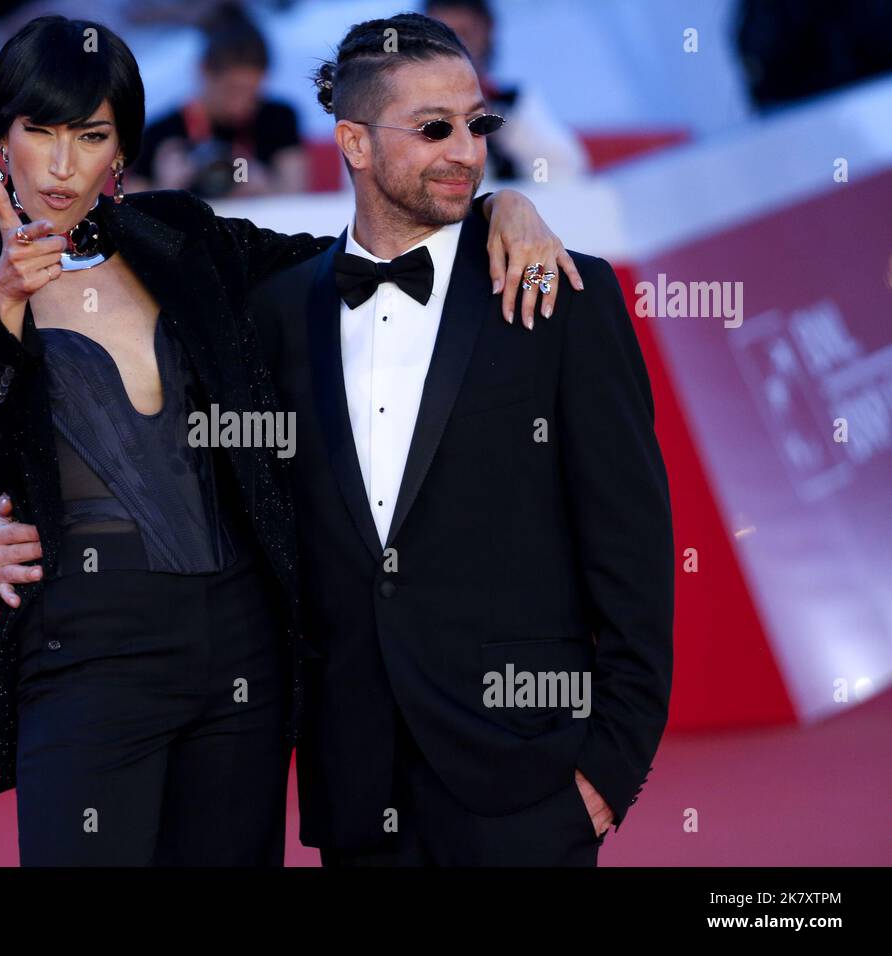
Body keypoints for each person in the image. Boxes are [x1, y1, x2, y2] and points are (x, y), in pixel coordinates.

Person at [0, 14, 575, 866]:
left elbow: (350, 268)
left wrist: (504, 206)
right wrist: (1, 316)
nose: (63, 166)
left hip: (242, 652)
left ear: (122, 151)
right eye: (41, 133)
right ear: (1, 135)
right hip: (87, 654)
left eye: (91, 136)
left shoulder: (187, 237)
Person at [250, 13, 673, 865]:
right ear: (354, 144)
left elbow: (633, 548)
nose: (469, 151)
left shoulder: (559, 294)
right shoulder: (280, 310)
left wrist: (610, 771)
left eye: (477, 124)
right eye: (434, 128)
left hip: (527, 785)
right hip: (358, 790)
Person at [126, 3, 307, 198]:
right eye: (231, 89)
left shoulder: (278, 118)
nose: (241, 101)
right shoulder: (161, 132)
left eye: (252, 91)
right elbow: (128, 213)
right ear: (204, 71)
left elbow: (297, 196)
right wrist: (166, 188)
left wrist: (263, 185)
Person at [426, 0, 588, 181]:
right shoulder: (413, 107)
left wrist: (504, 130)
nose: (454, 47)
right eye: (442, 36)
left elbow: (561, 173)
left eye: (464, 33)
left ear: (487, 32)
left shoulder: (512, 103)